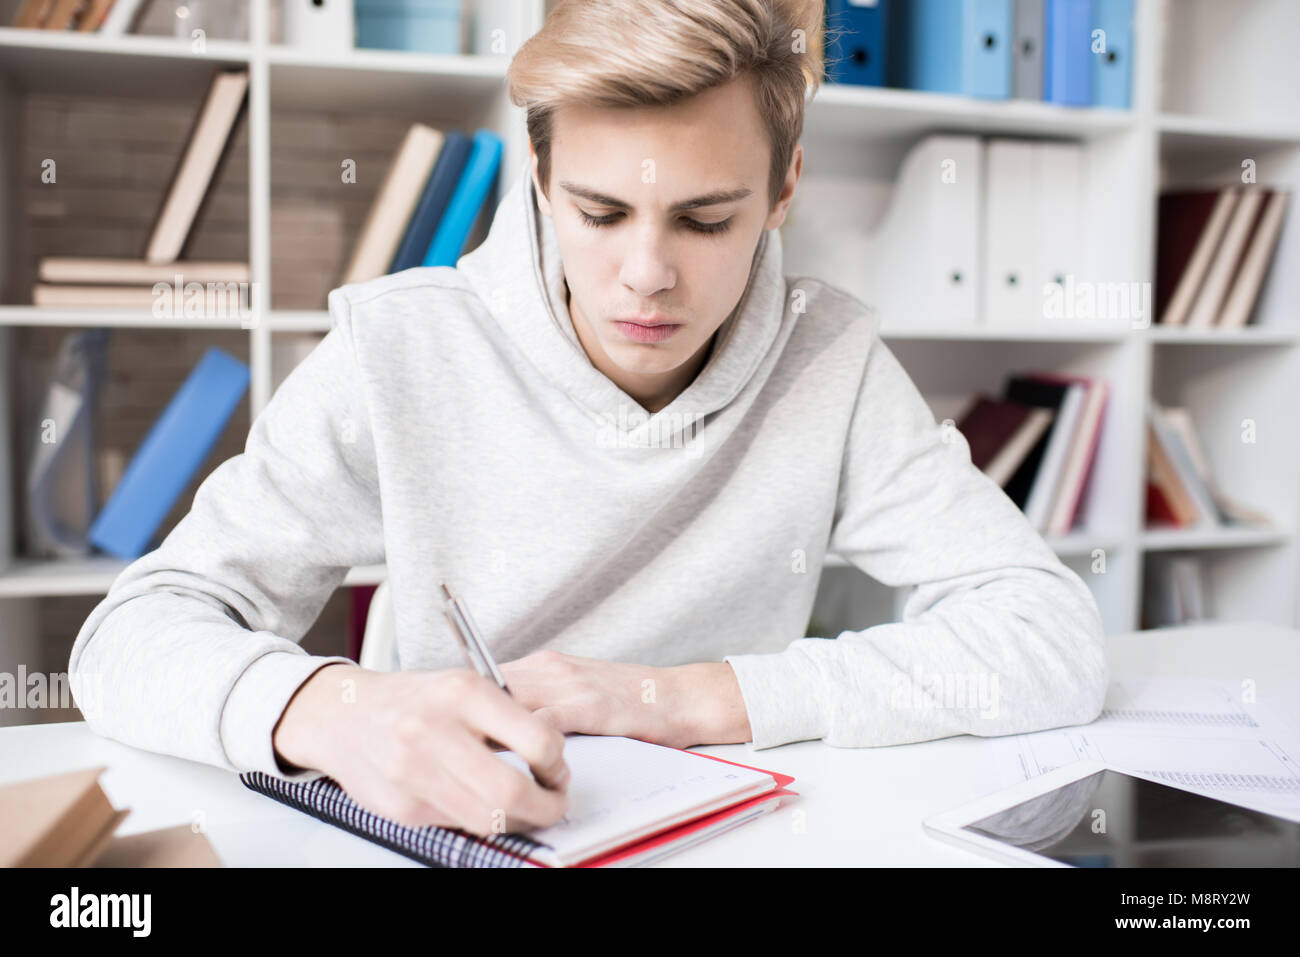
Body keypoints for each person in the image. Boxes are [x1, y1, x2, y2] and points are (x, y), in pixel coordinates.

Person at [70, 0, 1107, 839]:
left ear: (784, 185)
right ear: (538, 178)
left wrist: (689, 699)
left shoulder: (827, 364)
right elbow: (127, 636)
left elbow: (1050, 641)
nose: (646, 276)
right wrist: (336, 713)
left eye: (706, 219)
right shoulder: (400, 349)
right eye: (599, 213)